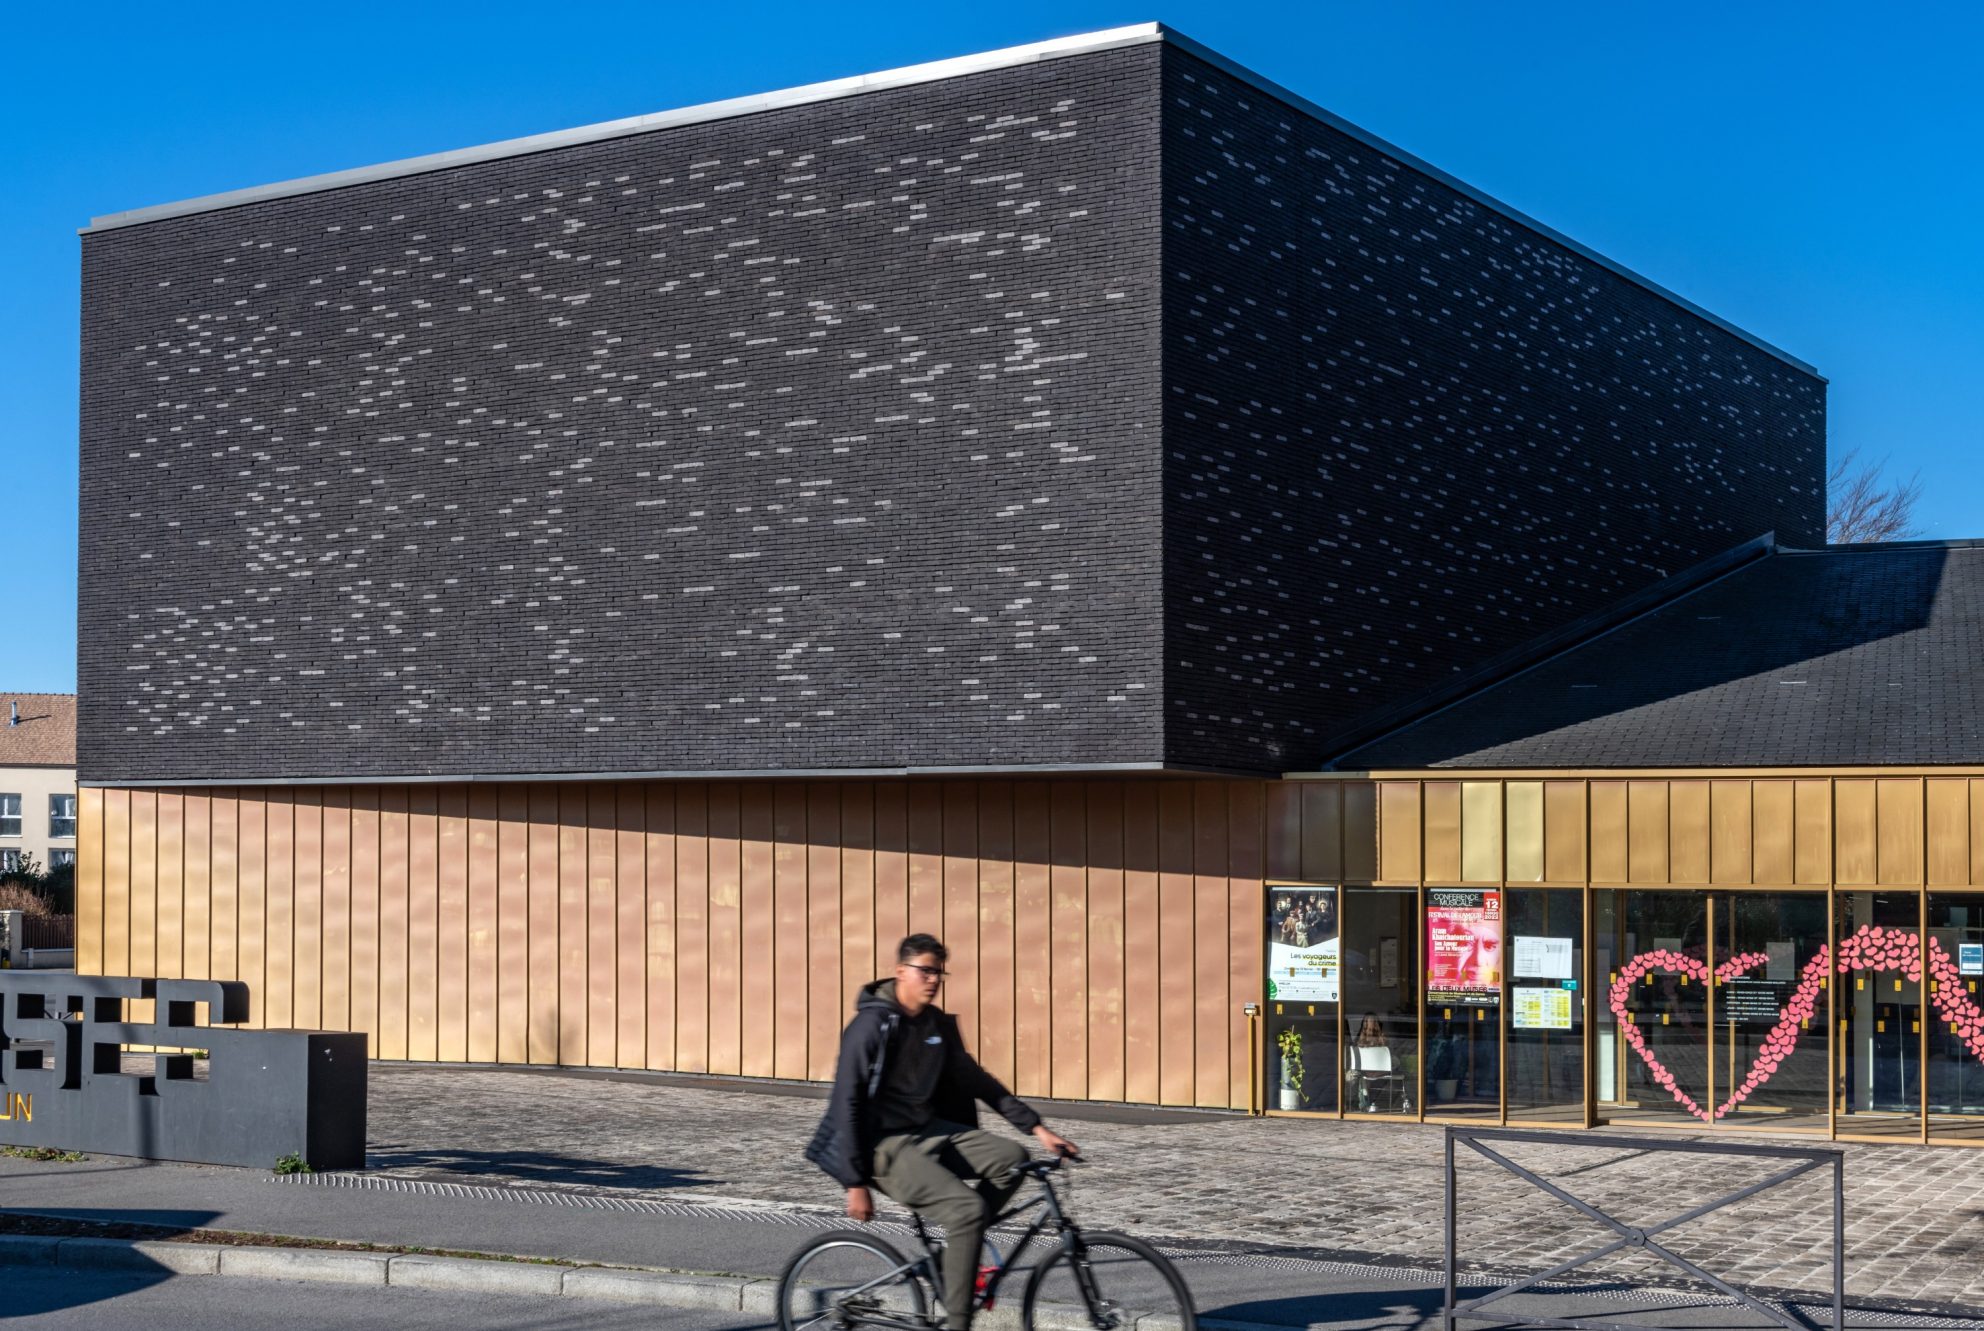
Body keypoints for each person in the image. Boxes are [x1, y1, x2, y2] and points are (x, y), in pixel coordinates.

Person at [806, 934, 1078, 1331]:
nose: (933, 979)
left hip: (929, 1131)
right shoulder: (871, 1026)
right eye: (925, 970)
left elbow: (977, 1080)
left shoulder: (935, 1025)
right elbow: (847, 1101)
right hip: (882, 1145)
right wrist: (854, 1181)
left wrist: (1037, 1127)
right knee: (967, 1211)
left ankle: (959, 1257)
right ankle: (958, 1320)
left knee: (1014, 1161)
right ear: (901, 972)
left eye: (938, 972)